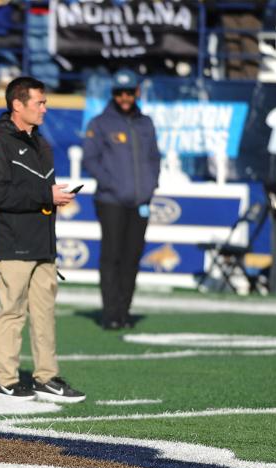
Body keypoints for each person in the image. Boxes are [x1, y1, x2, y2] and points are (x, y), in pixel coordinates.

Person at [0, 76, 86, 404]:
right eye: (39, 103)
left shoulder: (41, 143)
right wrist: (46, 194)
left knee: (45, 314)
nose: (44, 109)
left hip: (43, 242)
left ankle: (46, 377)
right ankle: (6, 380)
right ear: (17, 104)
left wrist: (54, 196)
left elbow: (38, 191)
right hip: (13, 241)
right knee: (11, 312)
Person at [82, 69, 161, 330]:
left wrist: (150, 185)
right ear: (113, 94)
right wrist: (112, 184)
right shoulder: (100, 123)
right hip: (111, 201)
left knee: (132, 257)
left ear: (137, 92)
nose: (124, 97)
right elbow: (90, 159)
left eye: (129, 92)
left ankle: (125, 312)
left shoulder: (146, 123)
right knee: (112, 256)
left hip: (141, 202)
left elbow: (154, 158)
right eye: (119, 93)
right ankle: (110, 313)